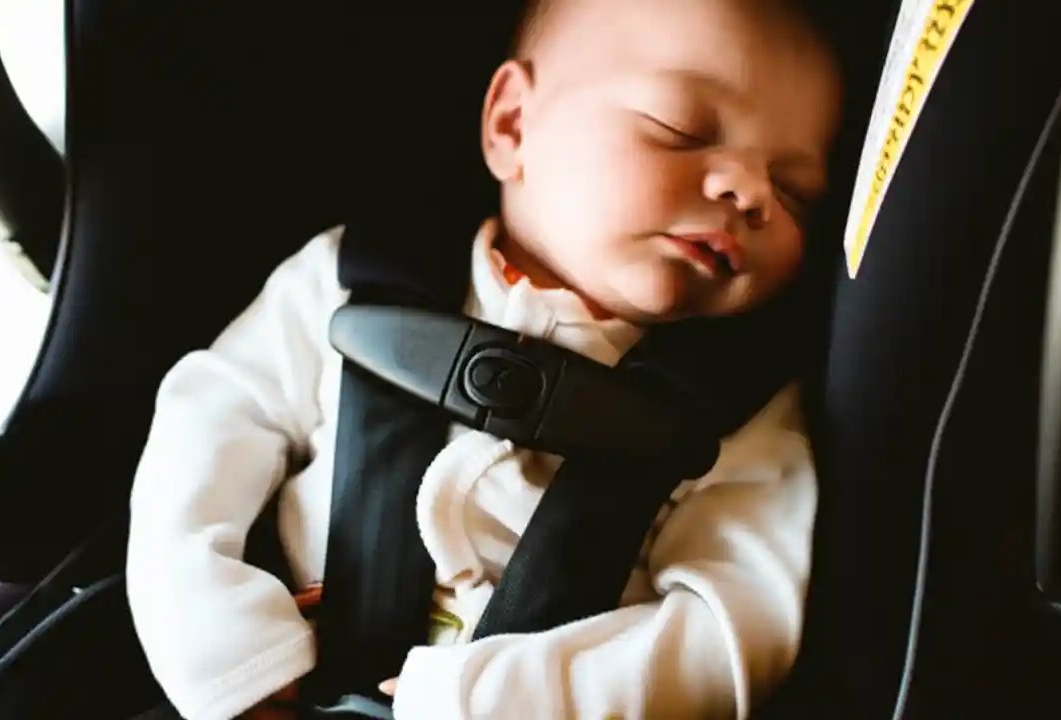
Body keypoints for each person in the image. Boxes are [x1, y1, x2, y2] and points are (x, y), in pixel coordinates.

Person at [125, 0, 842, 717]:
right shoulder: (352, 285)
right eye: (680, 127)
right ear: (512, 124)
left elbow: (738, 628)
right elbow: (206, 430)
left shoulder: (743, 413)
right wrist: (222, 646)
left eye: (794, 192)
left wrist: (498, 700)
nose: (749, 193)